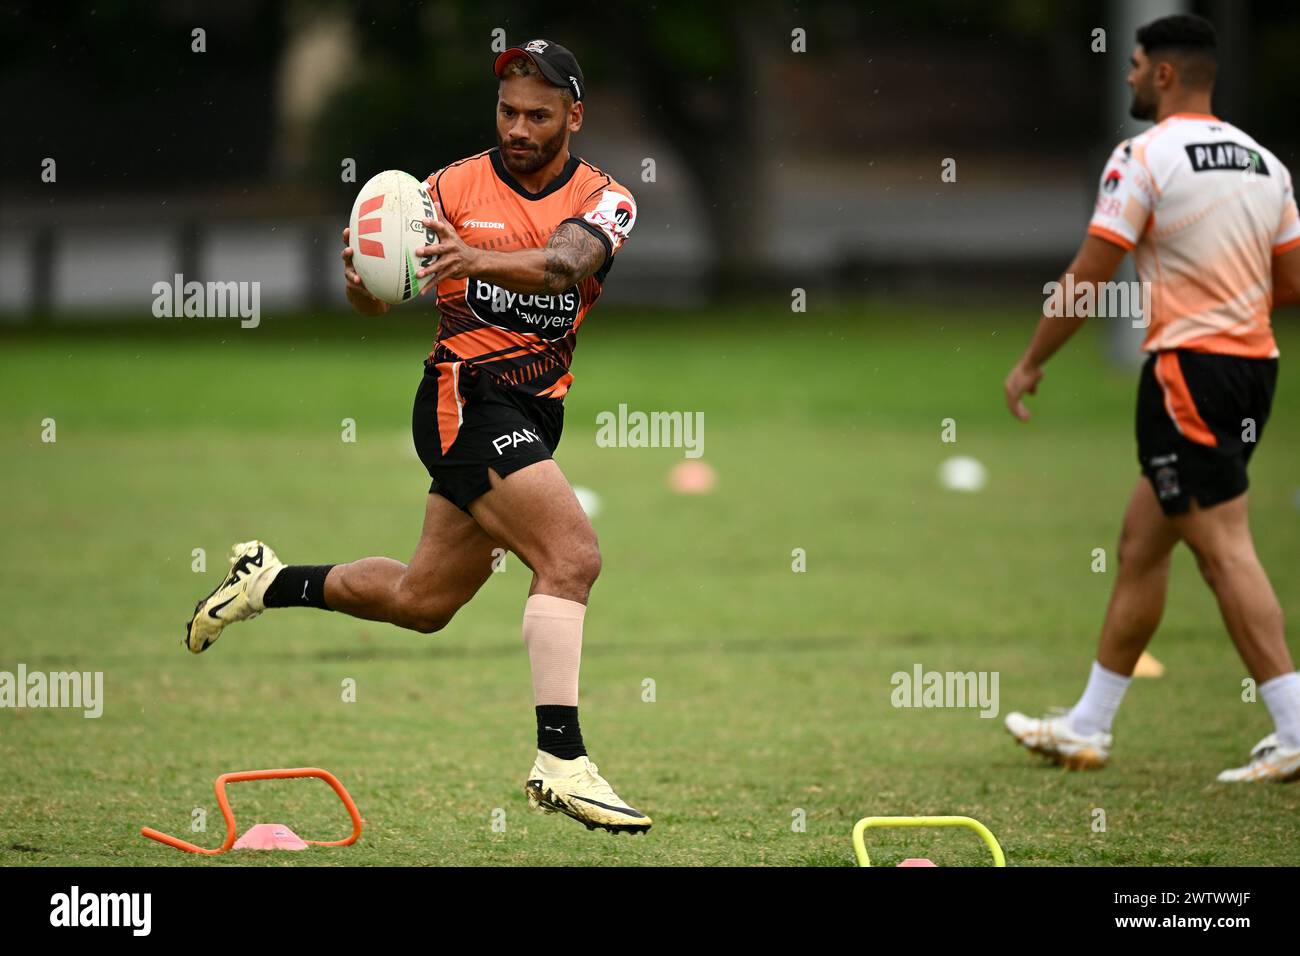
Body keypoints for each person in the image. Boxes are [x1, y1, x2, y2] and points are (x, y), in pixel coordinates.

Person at [184, 39, 652, 830]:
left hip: (536, 408)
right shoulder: (441, 191)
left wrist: (473, 256)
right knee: (572, 557)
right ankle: (561, 761)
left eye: (539, 115)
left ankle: (268, 581)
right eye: (508, 112)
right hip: (464, 399)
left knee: (421, 600)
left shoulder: (608, 200)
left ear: (575, 117)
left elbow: (565, 267)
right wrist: (363, 280)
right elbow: (380, 301)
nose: (519, 128)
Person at [1002, 14, 1300, 782]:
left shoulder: (1144, 156)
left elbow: (1091, 272)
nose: (1128, 75)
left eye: (1134, 64)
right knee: (1143, 542)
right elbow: (1292, 283)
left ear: (1164, 74)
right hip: (1253, 370)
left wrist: (1032, 361)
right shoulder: (1267, 163)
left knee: (1223, 547)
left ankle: (1295, 725)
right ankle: (1088, 724)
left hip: (1187, 374)